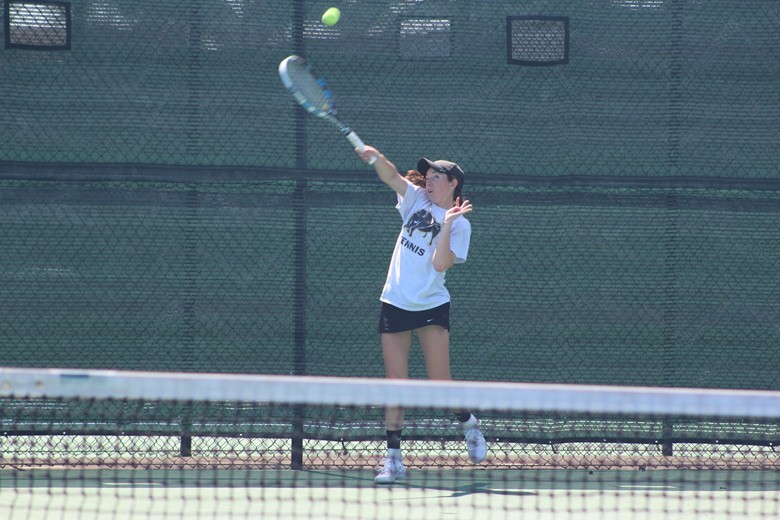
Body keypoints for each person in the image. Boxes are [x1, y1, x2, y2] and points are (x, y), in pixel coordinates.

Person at [356, 145, 487, 484]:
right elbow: (392, 175)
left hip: (430, 306)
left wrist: (447, 224)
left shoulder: (461, 226)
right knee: (396, 386)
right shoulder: (414, 199)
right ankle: (394, 460)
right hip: (395, 302)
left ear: (453, 184)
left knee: (439, 384)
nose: (428, 182)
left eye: (436, 178)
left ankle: (469, 424)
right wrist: (375, 157)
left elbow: (440, 263)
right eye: (427, 177)